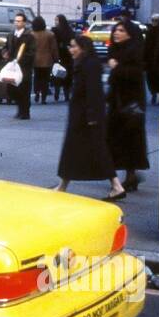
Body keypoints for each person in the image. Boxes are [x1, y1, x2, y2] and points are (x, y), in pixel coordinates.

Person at [55, 35, 126, 200]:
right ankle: (64, 186)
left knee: (87, 150)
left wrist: (92, 116)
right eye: (70, 46)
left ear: (83, 48)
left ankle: (116, 186)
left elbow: (94, 92)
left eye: (74, 47)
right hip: (84, 114)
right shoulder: (85, 63)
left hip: (85, 116)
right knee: (85, 150)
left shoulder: (89, 65)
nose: (71, 50)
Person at [106, 21, 149, 192]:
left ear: (130, 34)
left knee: (130, 140)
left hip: (131, 103)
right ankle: (125, 177)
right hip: (117, 102)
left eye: (121, 30)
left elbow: (135, 75)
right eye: (115, 29)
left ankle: (129, 176)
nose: (116, 32)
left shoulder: (135, 51)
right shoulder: (115, 51)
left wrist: (116, 68)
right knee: (115, 139)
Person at [1, 11, 35, 119]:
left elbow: (32, 52)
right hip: (12, 66)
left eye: (19, 21)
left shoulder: (29, 36)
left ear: (24, 23)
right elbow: (5, 47)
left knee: (24, 89)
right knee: (12, 89)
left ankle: (25, 112)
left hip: (24, 67)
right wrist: (4, 53)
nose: (17, 23)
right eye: (16, 21)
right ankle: (20, 109)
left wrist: (21, 60)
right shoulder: (11, 35)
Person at [30, 16, 57, 105]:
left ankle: (37, 92)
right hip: (47, 59)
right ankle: (44, 97)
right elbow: (54, 49)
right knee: (45, 79)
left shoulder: (31, 34)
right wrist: (56, 59)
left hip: (35, 60)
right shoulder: (50, 34)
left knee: (37, 77)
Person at [144, 14, 159, 105]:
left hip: (158, 60)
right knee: (154, 79)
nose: (154, 22)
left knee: (157, 79)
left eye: (156, 20)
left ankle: (158, 96)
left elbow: (146, 47)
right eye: (153, 20)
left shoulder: (151, 32)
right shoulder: (153, 32)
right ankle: (157, 96)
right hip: (154, 60)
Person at [51, 14, 76, 101]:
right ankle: (63, 94)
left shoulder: (55, 31)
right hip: (65, 56)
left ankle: (60, 94)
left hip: (62, 56)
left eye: (57, 20)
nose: (56, 22)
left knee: (59, 75)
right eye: (55, 20)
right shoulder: (69, 31)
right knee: (65, 75)